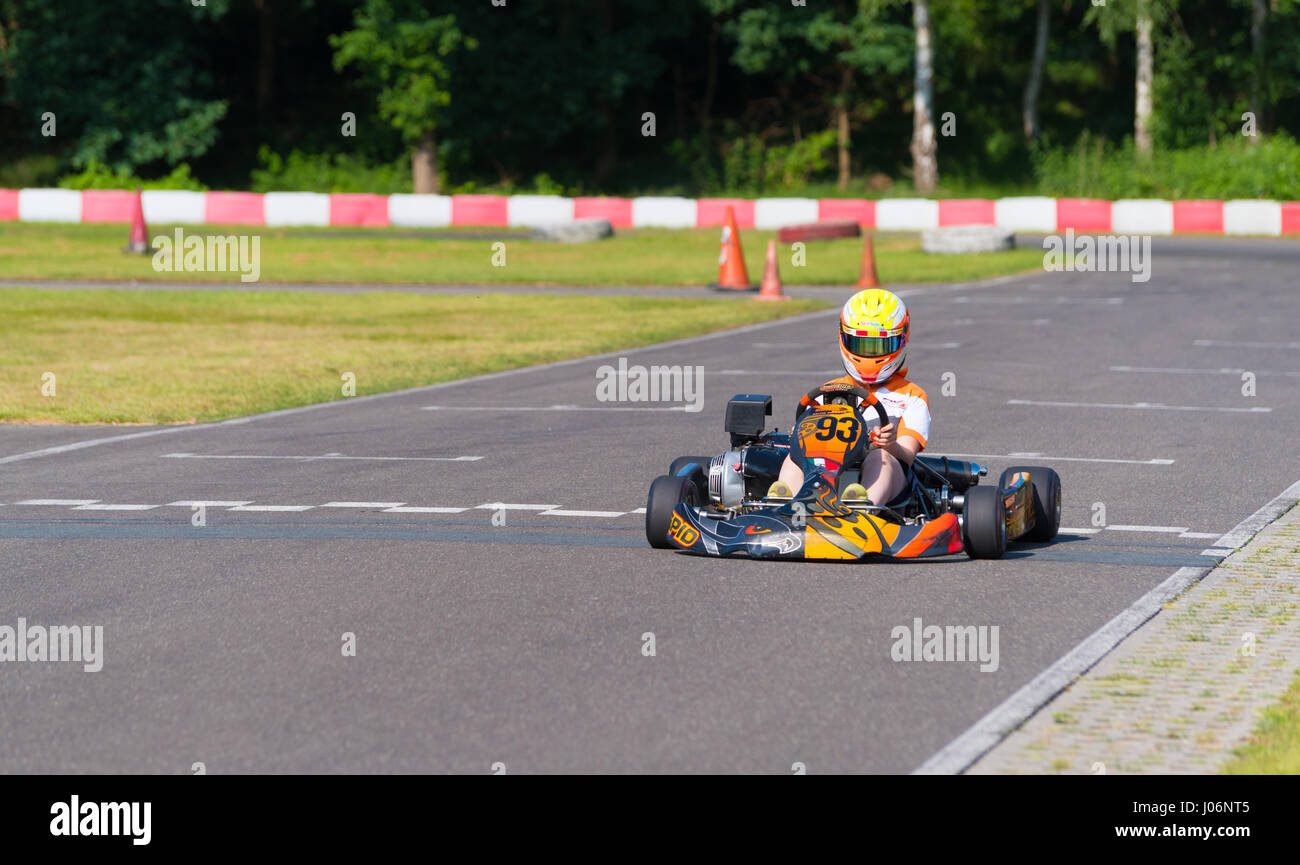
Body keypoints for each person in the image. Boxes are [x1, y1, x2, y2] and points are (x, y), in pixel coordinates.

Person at [772, 288, 931, 506]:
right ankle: (786, 503)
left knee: (880, 458)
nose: (869, 355)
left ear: (901, 340)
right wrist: (799, 436)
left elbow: (907, 456)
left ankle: (862, 508)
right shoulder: (828, 390)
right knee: (796, 457)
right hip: (828, 471)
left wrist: (890, 444)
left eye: (879, 346)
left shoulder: (912, 396)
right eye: (861, 345)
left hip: (890, 477)